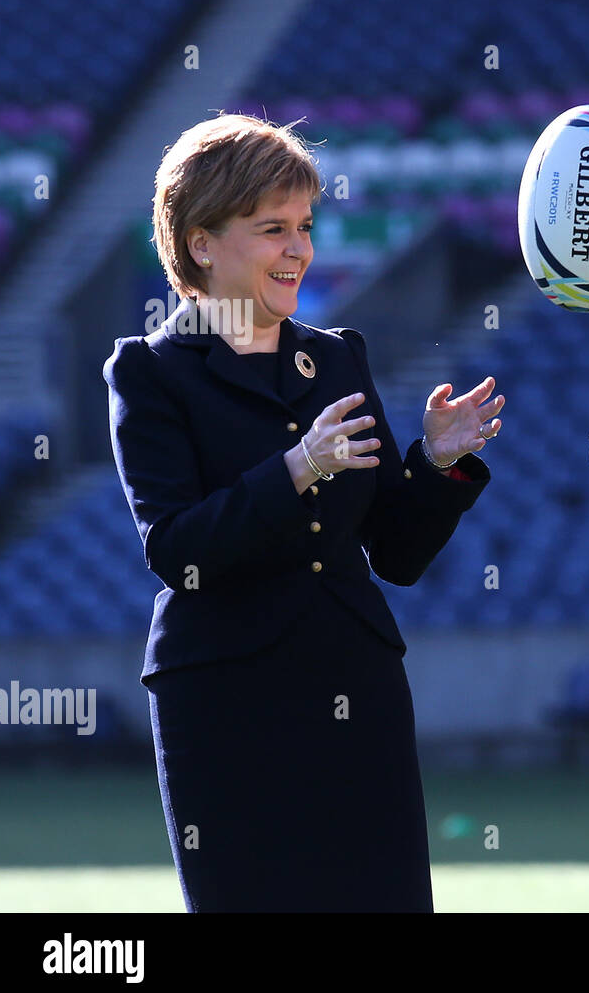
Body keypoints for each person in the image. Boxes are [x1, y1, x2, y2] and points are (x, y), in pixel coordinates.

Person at [103, 113, 504, 912]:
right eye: (272, 229)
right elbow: (178, 548)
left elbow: (394, 551)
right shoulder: (148, 373)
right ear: (201, 242)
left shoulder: (339, 357)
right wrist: (296, 468)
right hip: (225, 704)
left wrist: (435, 461)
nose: (299, 249)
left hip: (356, 690)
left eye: (305, 227)